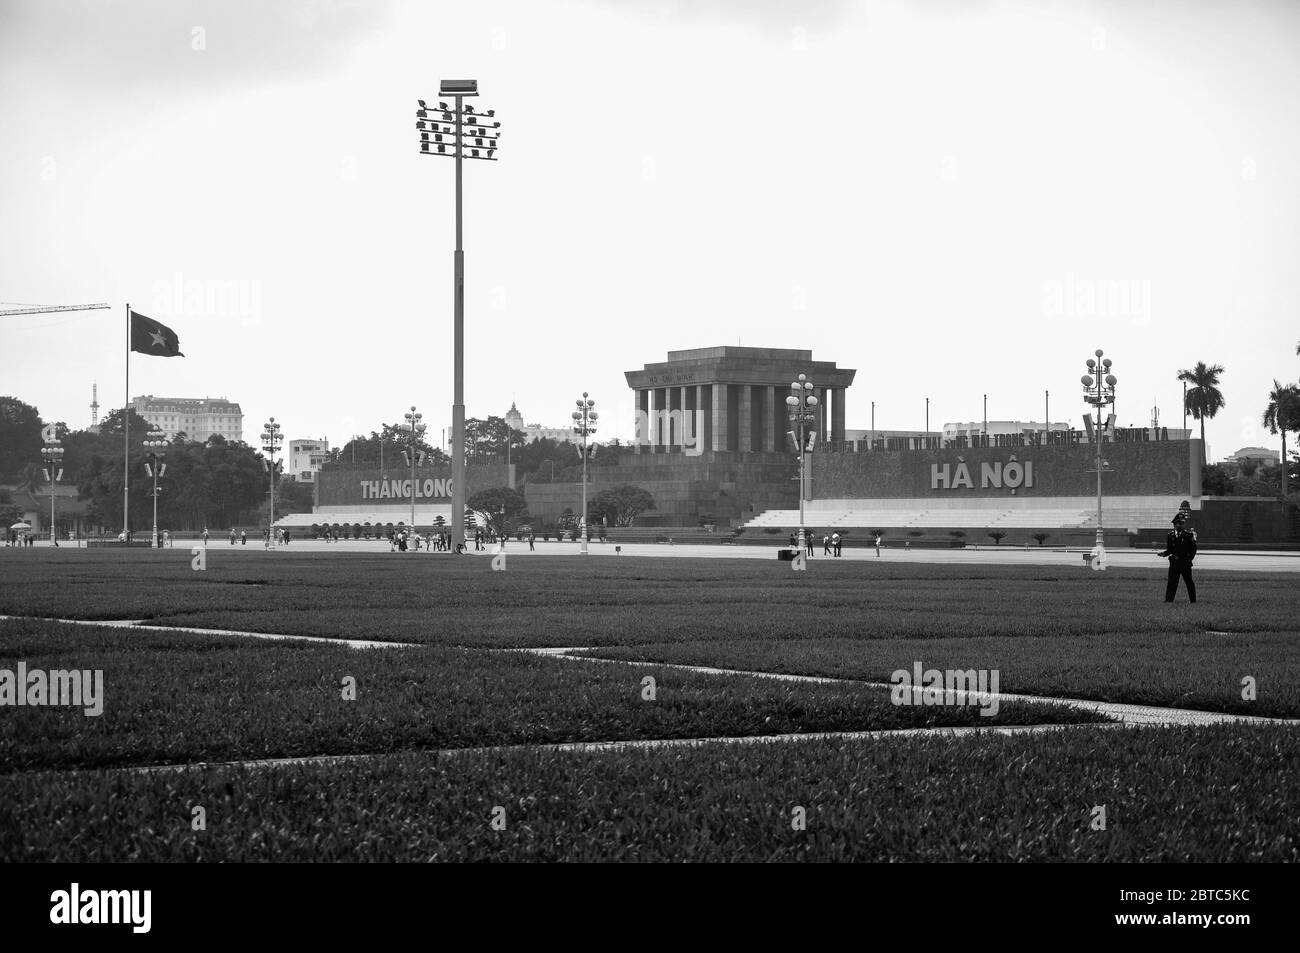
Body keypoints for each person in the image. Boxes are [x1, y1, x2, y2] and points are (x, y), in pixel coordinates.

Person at [1158, 513, 1198, 603]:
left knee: (1189, 582)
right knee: (1172, 582)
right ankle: (1168, 600)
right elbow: (1170, 550)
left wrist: (1189, 559)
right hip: (1174, 563)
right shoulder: (1170, 536)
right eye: (1179, 523)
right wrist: (1164, 554)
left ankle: (1193, 601)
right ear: (1175, 524)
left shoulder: (1188, 535)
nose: (1182, 525)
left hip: (1185, 563)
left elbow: (1194, 549)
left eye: (1183, 523)